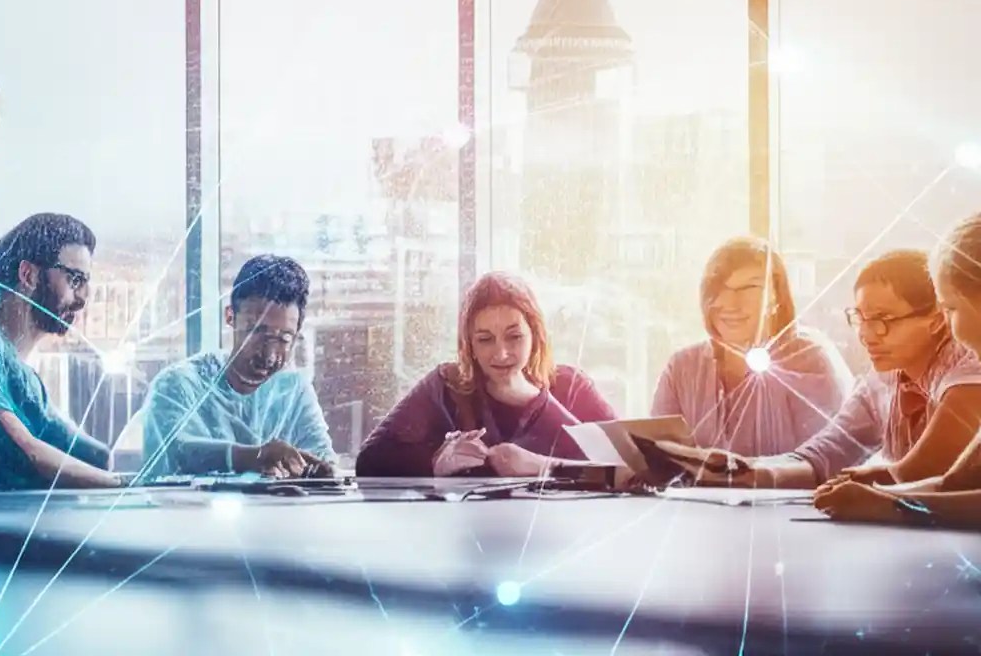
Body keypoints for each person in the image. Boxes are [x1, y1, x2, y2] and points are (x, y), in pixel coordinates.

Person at [659, 250, 981, 490]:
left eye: (883, 320)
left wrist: (872, 485)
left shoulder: (967, 369)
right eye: (861, 318)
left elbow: (917, 472)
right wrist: (746, 470)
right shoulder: (881, 382)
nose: (867, 335)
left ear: (938, 319)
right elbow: (823, 454)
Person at [0, 213, 117, 490]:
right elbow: (23, 453)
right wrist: (124, 483)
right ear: (28, 275)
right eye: (75, 280)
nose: (83, 299)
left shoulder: (26, 377)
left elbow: (96, 457)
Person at [356, 271, 617, 478]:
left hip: (559, 534)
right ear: (469, 344)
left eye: (514, 337)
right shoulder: (449, 385)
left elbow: (633, 467)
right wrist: (436, 460)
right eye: (485, 340)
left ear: (535, 335)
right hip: (468, 535)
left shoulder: (571, 386)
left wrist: (543, 465)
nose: (501, 354)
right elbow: (370, 460)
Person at [816, 215, 981, 528]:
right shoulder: (884, 379)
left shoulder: (965, 372)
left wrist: (892, 503)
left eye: (951, 309)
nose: (949, 327)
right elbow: (953, 483)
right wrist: (885, 486)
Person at [138, 255, 336, 480]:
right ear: (230, 316)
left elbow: (322, 458)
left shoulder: (294, 392)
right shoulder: (177, 385)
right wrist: (253, 457)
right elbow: (171, 455)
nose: (270, 356)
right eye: (257, 332)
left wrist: (322, 471)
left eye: (284, 339)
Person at [652, 237, 852, 454]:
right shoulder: (683, 366)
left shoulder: (810, 359)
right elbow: (659, 458)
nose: (730, 303)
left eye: (749, 288)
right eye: (719, 289)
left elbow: (826, 464)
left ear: (777, 297)